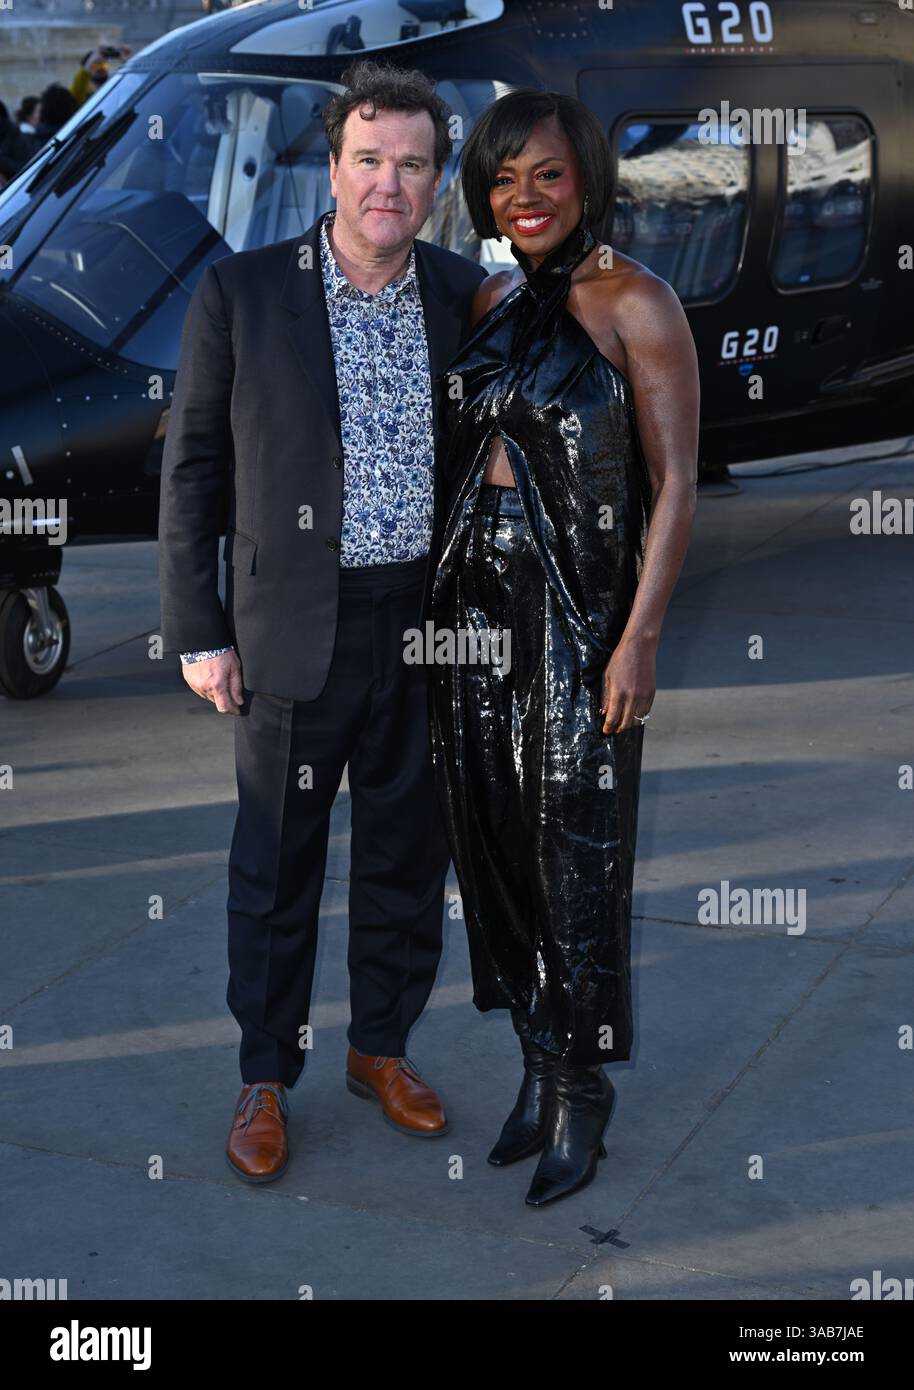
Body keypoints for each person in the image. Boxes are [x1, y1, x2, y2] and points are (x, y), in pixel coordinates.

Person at [157, 61, 487, 1184]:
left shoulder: (461, 295)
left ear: (436, 179)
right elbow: (193, 472)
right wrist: (200, 631)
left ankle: (379, 1049)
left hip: (424, 627)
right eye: (368, 159)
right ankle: (263, 1072)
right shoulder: (241, 293)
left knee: (407, 855)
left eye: (411, 163)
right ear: (332, 166)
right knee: (277, 863)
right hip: (293, 628)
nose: (387, 182)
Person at [428, 89, 699, 1206]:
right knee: (492, 836)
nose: (522, 197)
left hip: (577, 605)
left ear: (585, 176)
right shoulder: (493, 295)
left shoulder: (639, 302)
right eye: (501, 178)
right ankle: (537, 1068)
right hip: (473, 593)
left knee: (573, 848)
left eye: (543, 174)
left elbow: (677, 484)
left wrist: (636, 639)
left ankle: (582, 1087)